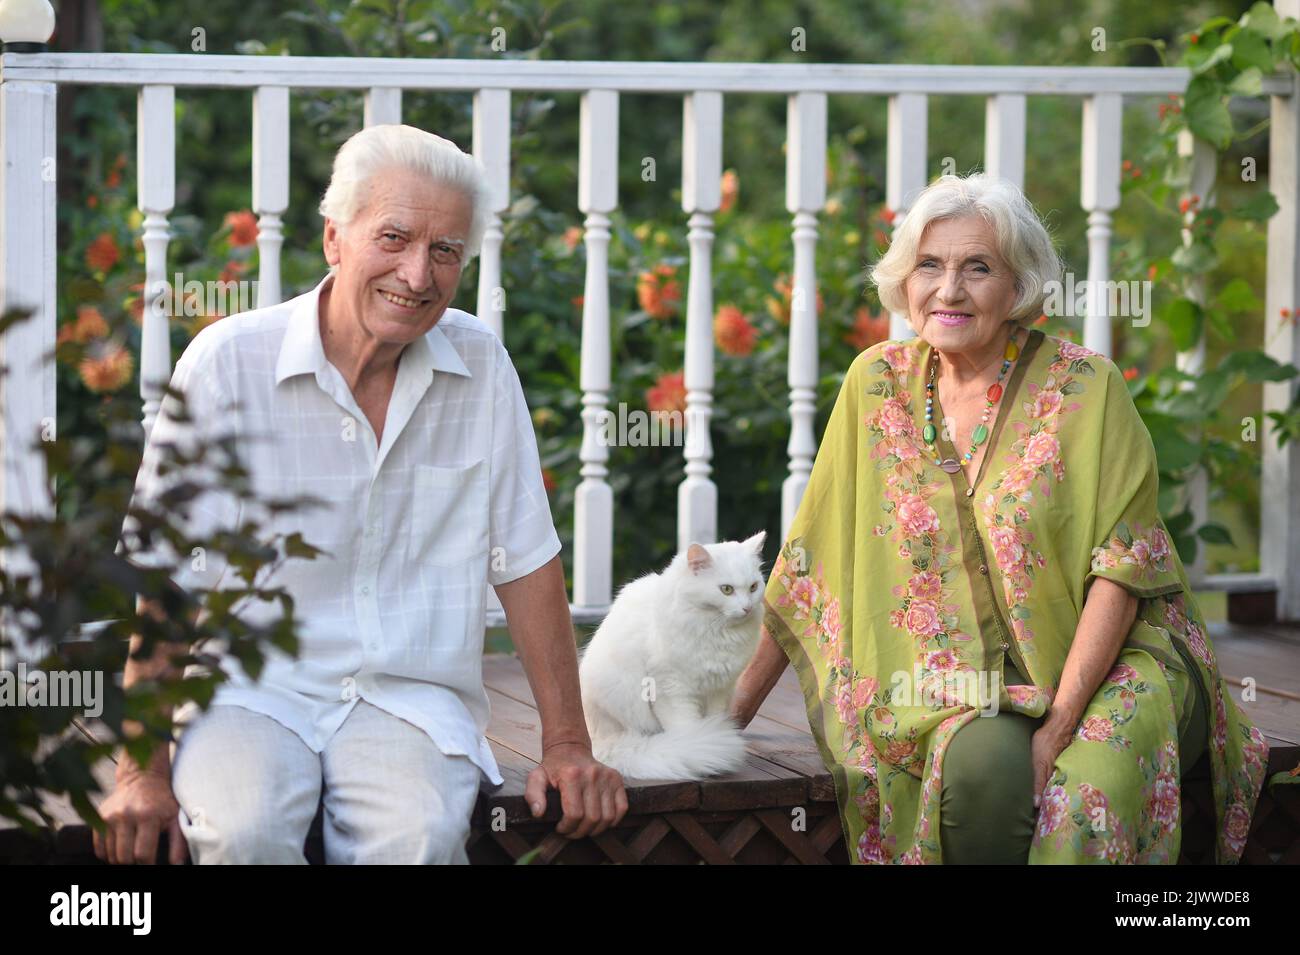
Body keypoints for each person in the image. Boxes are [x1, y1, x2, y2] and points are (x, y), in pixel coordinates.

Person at [97, 124, 627, 864]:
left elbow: (526, 561)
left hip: (408, 696)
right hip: (247, 689)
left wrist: (568, 743)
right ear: (333, 239)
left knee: (417, 838)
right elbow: (168, 584)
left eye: (446, 251)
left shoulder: (481, 364)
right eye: (395, 237)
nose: (418, 274)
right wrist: (139, 771)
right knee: (242, 831)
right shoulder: (227, 365)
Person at [730, 173, 1270, 864]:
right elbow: (807, 563)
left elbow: (1123, 568)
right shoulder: (875, 384)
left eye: (977, 267)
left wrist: (1060, 723)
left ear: (1017, 285)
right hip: (960, 678)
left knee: (1085, 791)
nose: (949, 290)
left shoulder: (1088, 388)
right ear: (905, 277)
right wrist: (730, 720)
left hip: (1114, 657)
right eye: (931, 264)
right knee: (980, 774)